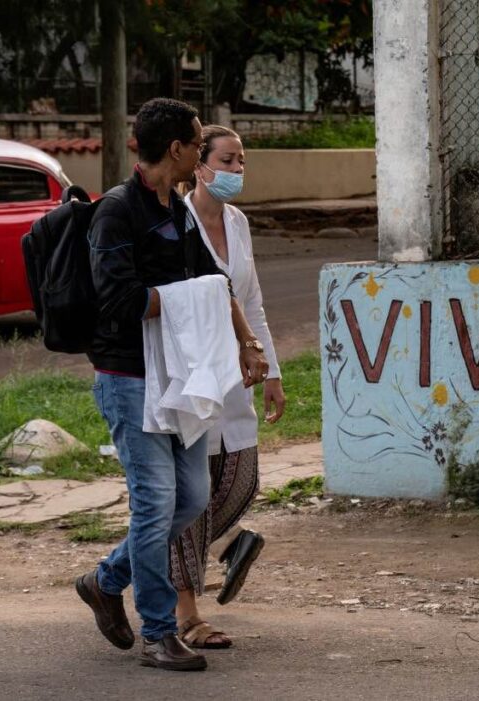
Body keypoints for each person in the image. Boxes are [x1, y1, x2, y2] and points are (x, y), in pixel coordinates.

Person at [74, 98, 269, 672]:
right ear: (179, 150)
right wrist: (190, 301)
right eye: (196, 141)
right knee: (156, 502)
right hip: (128, 377)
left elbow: (214, 282)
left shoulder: (177, 210)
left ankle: (105, 581)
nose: (204, 154)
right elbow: (120, 300)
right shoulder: (116, 212)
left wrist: (246, 342)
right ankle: (158, 631)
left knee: (191, 498)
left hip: (174, 376)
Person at [169, 125, 285, 649]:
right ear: (199, 164)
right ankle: (187, 613)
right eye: (228, 160)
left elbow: (252, 299)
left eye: (242, 162)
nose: (237, 171)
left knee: (240, 483)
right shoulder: (176, 221)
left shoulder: (237, 223)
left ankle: (134, 564)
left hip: (238, 374)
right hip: (194, 372)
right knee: (192, 499)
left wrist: (273, 370)